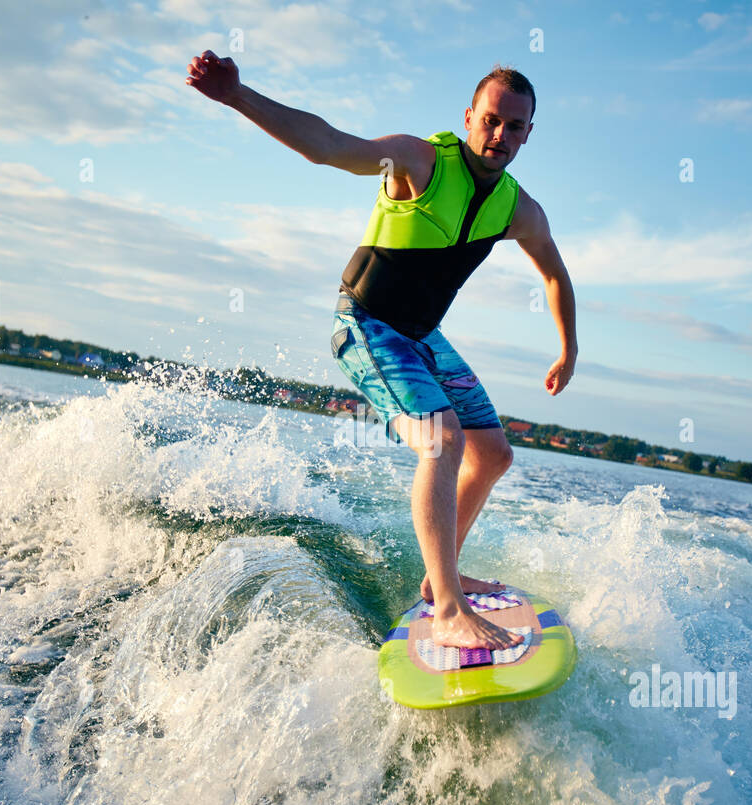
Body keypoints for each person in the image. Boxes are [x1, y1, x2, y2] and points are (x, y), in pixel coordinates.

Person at [186, 51, 577, 650]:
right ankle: (448, 608)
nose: (500, 135)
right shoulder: (420, 160)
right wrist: (238, 96)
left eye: (515, 126)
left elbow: (554, 273)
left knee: (493, 454)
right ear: (469, 115)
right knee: (442, 441)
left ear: (529, 134)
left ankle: (434, 579)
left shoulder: (519, 209)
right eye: (491, 120)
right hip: (366, 323)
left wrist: (567, 349)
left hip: (421, 336)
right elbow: (328, 145)